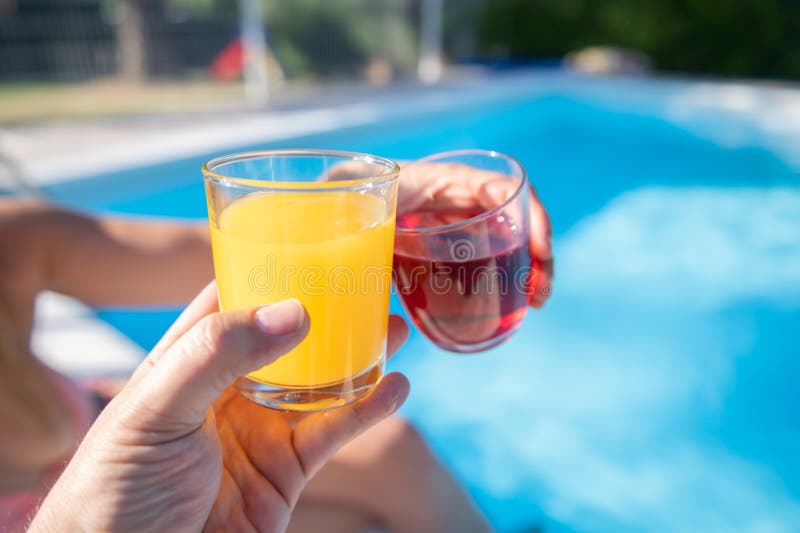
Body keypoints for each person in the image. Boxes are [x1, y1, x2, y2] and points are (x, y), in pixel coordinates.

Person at [0, 161, 551, 531]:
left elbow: (244, 253)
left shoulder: (11, 240)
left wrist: (358, 188)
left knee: (393, 450)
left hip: (106, 425)